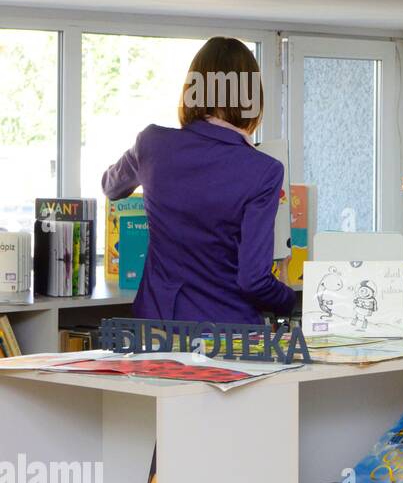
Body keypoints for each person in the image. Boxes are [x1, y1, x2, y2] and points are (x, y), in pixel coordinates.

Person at [102, 37, 296, 325]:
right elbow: (253, 280)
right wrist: (289, 299)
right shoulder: (263, 170)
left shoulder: (152, 144)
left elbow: (111, 186)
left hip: (157, 327)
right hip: (228, 335)